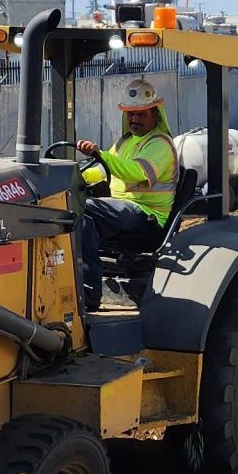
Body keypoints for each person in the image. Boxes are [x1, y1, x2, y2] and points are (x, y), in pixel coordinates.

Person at [73, 77, 177, 306]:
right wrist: (74, 178)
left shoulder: (160, 144)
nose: (134, 119)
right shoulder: (124, 142)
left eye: (141, 114)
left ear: (155, 114)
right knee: (71, 206)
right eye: (131, 114)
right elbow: (103, 170)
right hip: (124, 212)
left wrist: (101, 154)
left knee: (83, 209)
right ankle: (78, 283)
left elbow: (135, 171)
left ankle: (88, 291)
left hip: (148, 217)